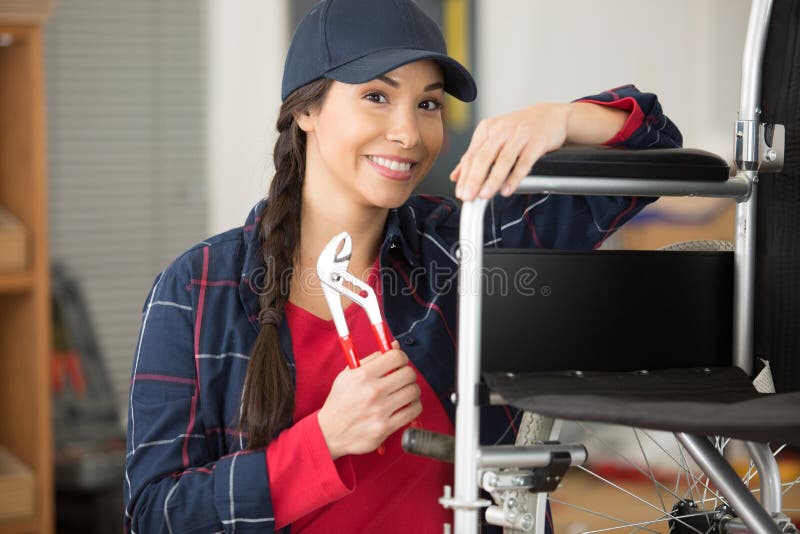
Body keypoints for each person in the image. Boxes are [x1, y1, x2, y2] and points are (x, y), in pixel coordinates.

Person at [123, 0, 682, 532]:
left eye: (428, 104)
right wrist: (323, 441)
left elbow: (656, 150)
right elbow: (153, 515)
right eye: (376, 96)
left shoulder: (466, 245)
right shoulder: (196, 288)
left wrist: (559, 119)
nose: (409, 133)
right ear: (306, 110)